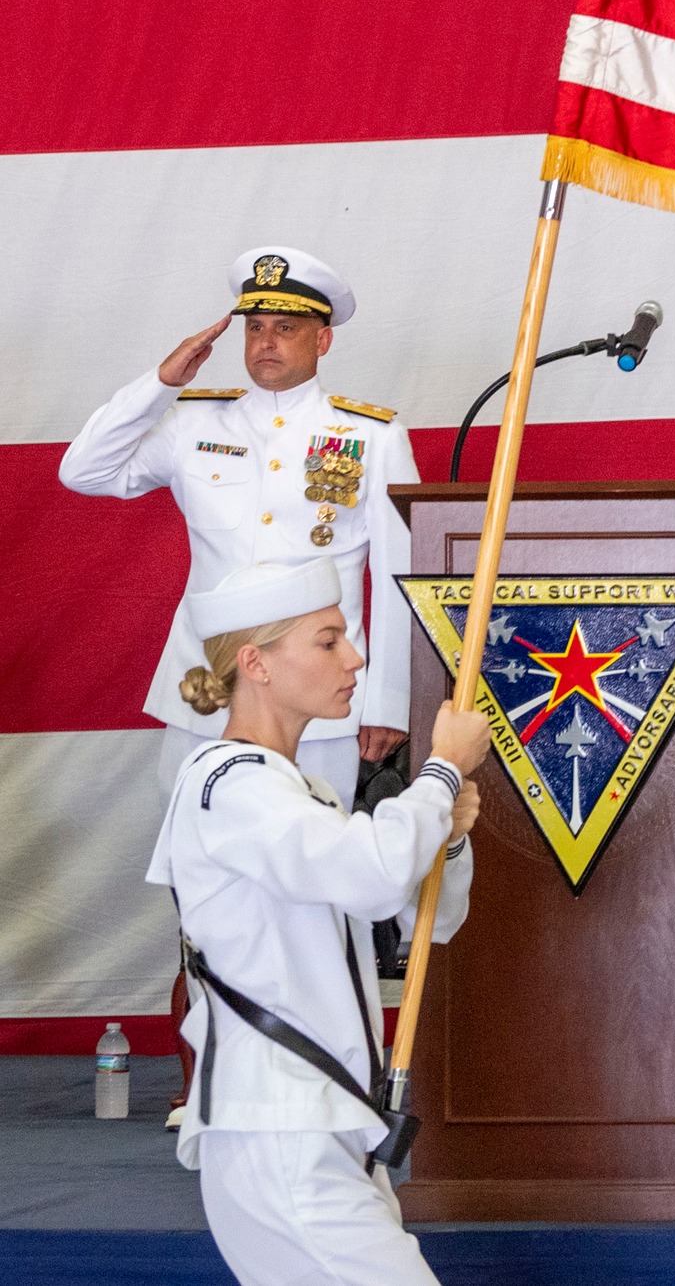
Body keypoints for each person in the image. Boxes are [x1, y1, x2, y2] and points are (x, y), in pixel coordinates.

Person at [62, 245, 420, 1122]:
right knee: (206, 892)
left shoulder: (369, 433)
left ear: (322, 339)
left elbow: (404, 569)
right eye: (255, 327)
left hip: (322, 703)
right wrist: (158, 380)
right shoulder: (192, 419)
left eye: (286, 328)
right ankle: (213, 1080)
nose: (266, 343)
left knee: (325, 891)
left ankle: (339, 1077)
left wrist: (385, 702)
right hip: (203, 694)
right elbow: (85, 471)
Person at [147, 558, 488, 1286]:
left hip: (327, 1126)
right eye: (329, 641)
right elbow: (370, 873)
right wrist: (441, 772)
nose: (355, 658)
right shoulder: (225, 785)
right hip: (280, 1132)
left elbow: (430, 917)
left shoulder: (303, 795)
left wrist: (446, 836)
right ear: (256, 663)